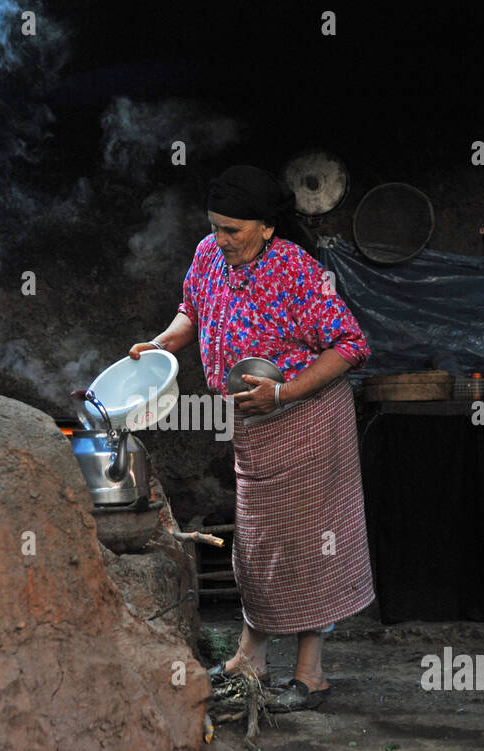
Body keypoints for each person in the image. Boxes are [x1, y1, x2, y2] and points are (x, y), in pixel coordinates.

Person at [128, 165, 374, 712]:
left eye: (232, 230)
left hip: (307, 420)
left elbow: (351, 345)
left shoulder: (297, 270)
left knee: (309, 544)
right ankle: (250, 657)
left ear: (266, 227)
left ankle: (311, 675)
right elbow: (193, 309)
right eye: (215, 226)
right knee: (260, 546)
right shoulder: (209, 255)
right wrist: (163, 341)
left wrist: (282, 395)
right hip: (252, 426)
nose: (221, 239)